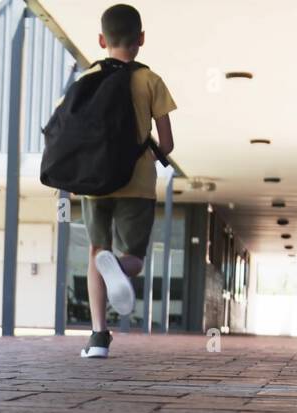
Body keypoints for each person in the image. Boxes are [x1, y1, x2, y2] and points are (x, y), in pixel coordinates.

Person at [80, 4, 177, 359]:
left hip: (93, 181)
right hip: (136, 182)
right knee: (132, 256)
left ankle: (97, 339)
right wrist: (148, 154)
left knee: (95, 252)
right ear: (141, 39)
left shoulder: (86, 77)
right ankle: (118, 270)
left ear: (102, 40)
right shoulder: (150, 80)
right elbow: (167, 144)